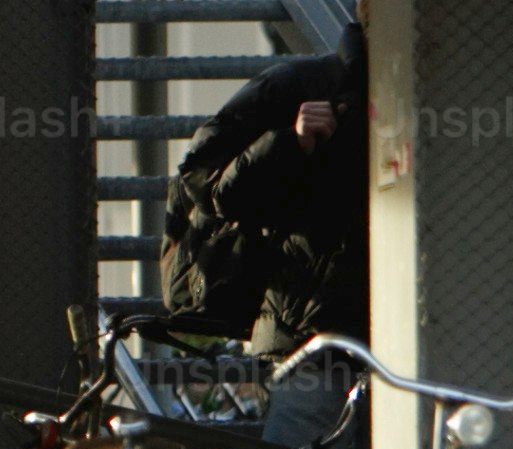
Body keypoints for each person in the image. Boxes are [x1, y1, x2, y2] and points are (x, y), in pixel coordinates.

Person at [157, 23, 366, 350]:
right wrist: (291, 144)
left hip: (378, 332)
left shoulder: (430, 97)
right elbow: (209, 185)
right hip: (304, 337)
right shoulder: (302, 84)